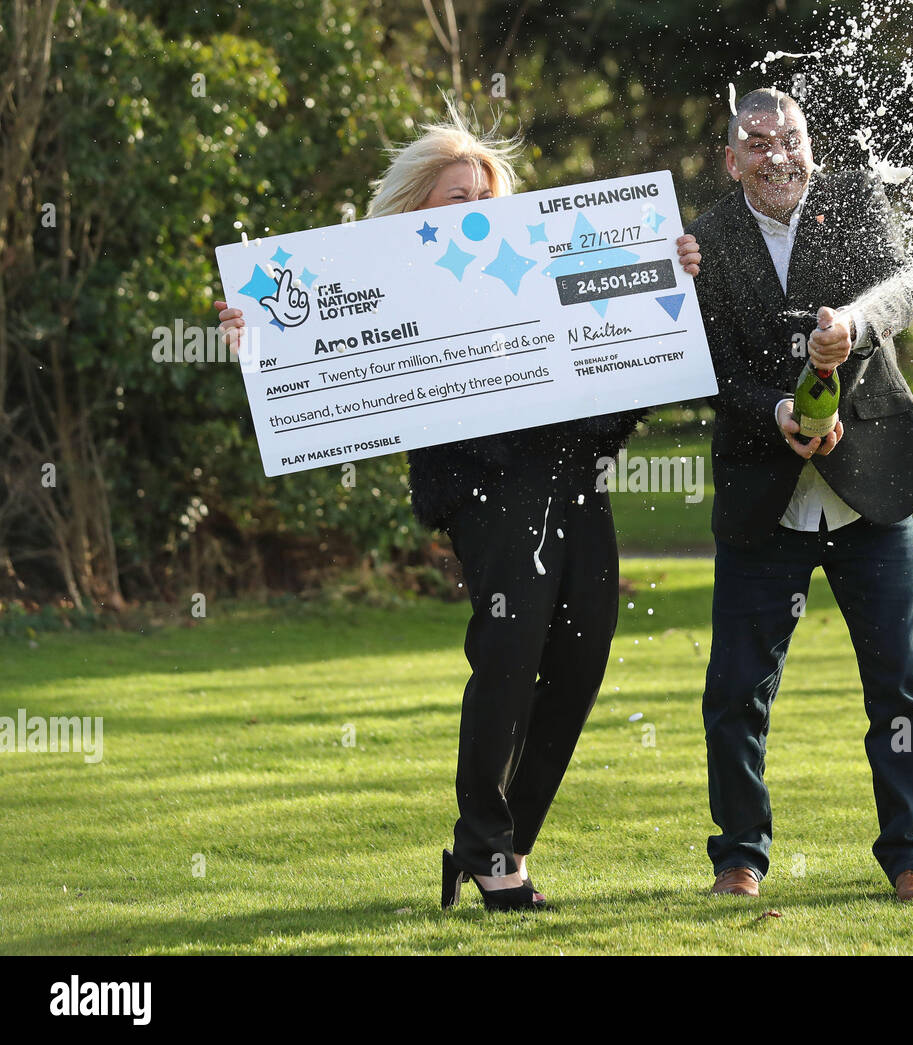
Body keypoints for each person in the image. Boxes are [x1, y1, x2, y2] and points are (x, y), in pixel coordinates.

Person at [215, 106, 703, 911]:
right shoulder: (384, 282)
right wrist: (256, 343)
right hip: (485, 489)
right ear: (415, 210)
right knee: (509, 659)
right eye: (455, 196)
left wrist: (668, 277)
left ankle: (497, 843)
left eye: (485, 193)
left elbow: (624, 368)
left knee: (581, 663)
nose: (475, 207)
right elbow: (313, 379)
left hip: (577, 480)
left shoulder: (541, 264)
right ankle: (489, 852)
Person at [685, 88, 913, 902]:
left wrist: (857, 327)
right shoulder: (704, 241)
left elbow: (905, 285)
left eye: (790, 137)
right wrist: (775, 413)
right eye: (756, 142)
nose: (778, 153)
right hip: (764, 495)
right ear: (733, 162)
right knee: (735, 688)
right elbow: (707, 371)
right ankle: (739, 855)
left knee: (901, 683)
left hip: (870, 487)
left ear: (811, 145)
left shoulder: (858, 199)